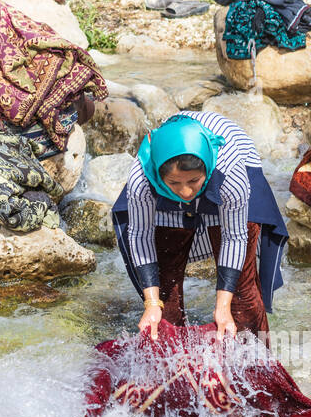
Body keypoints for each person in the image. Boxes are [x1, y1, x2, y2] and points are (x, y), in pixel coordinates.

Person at [111, 112, 289, 340]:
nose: (185, 192)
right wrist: (152, 303)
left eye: (192, 181)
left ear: (205, 171)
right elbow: (140, 236)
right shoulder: (143, 176)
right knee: (165, 289)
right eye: (175, 183)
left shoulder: (229, 169)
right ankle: (172, 361)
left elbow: (234, 237)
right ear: (159, 174)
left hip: (223, 180)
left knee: (241, 293)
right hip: (164, 195)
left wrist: (222, 306)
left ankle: (254, 362)